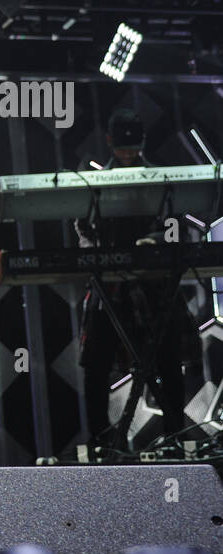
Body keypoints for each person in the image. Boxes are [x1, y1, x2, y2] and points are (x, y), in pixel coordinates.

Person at [74, 110, 187, 444]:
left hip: (153, 284)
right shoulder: (93, 181)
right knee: (96, 363)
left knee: (167, 359)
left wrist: (152, 242)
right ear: (110, 143)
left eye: (132, 148)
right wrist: (98, 251)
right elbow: (82, 227)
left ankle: (175, 435)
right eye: (122, 148)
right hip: (110, 285)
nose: (127, 154)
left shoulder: (160, 179)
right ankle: (100, 440)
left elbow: (174, 225)